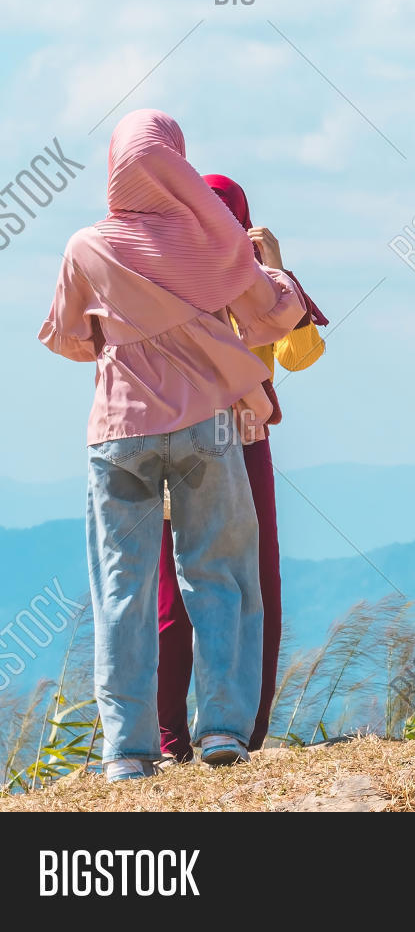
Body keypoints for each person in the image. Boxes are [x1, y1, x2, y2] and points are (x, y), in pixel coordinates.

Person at [38, 110, 308, 780]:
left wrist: (126, 338)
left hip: (118, 434)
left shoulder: (85, 246)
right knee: (221, 576)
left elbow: (70, 339)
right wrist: (272, 272)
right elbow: (275, 314)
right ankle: (223, 731)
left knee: (121, 590)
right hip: (206, 428)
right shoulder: (213, 243)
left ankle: (128, 753)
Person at [157, 174, 327, 764]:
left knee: (254, 586)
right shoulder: (172, 279)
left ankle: (237, 732)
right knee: (173, 595)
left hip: (243, 442)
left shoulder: (263, 287)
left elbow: (301, 356)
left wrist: (276, 271)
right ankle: (169, 738)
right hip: (185, 444)